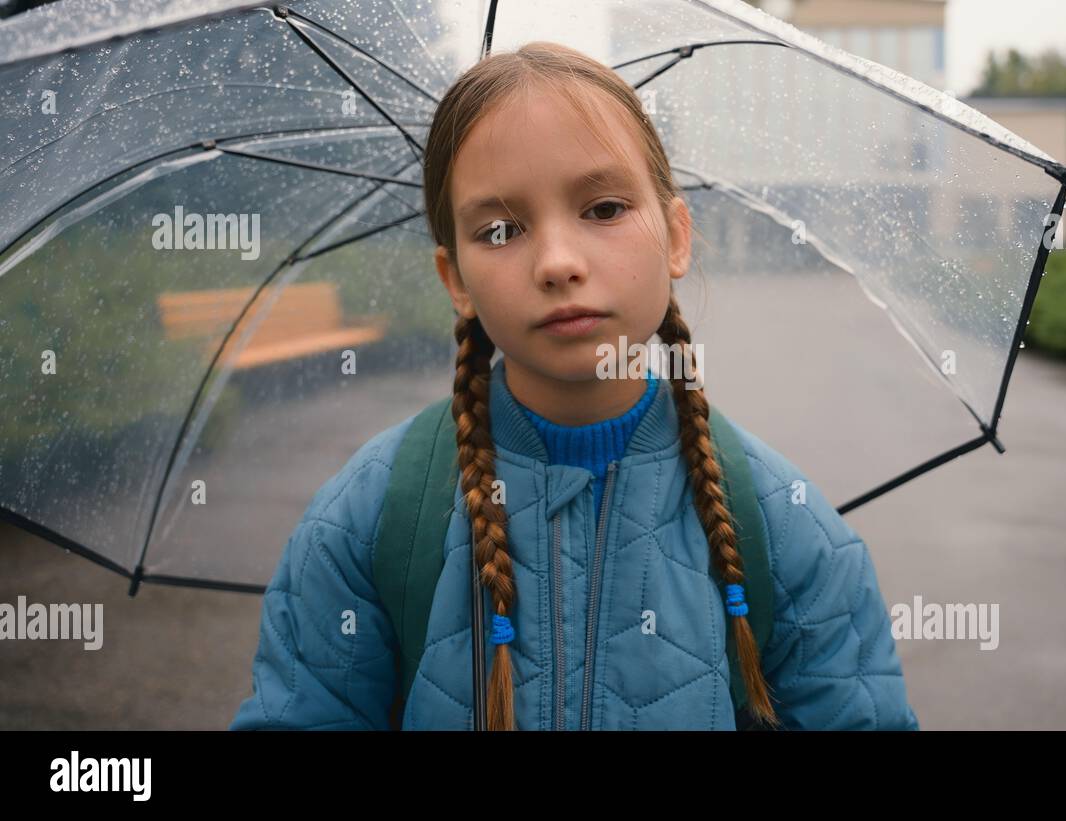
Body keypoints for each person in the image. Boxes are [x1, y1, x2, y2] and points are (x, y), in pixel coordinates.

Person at [230, 41, 919, 731]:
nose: (558, 262)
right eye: (501, 228)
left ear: (677, 236)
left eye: (604, 208)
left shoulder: (786, 528)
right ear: (455, 279)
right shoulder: (368, 519)